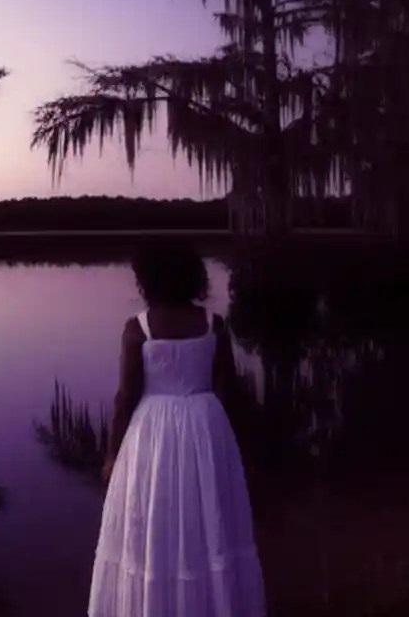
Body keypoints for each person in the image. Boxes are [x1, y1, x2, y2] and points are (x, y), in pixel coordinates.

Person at [88, 242, 265, 617]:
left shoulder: (138, 329)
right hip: (207, 425)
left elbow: (125, 398)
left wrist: (110, 456)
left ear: (149, 282)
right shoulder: (214, 325)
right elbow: (227, 386)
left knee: (155, 519)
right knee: (208, 521)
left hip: (153, 431)